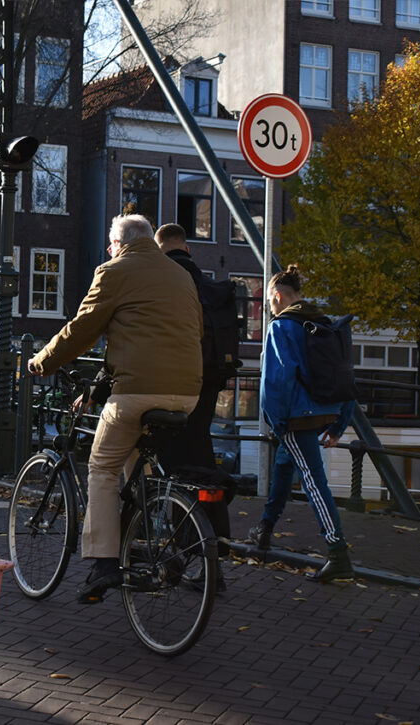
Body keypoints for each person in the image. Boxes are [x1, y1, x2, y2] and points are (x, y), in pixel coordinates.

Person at [27, 213, 203, 604]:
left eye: (110, 245)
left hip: (137, 393)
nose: (109, 251)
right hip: (187, 392)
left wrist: (41, 362)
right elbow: (173, 333)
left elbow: (81, 328)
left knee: (102, 467)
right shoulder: (180, 275)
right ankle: (140, 538)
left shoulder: (114, 270)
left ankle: (104, 563)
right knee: (133, 461)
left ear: (119, 243)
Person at [249, 264, 354, 582]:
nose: (270, 308)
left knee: (313, 481)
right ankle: (265, 529)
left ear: (278, 296)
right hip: (324, 410)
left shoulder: (282, 327)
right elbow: (344, 373)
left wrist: (276, 420)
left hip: (295, 415)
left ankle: (338, 554)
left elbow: (278, 379)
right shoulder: (321, 323)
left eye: (269, 302)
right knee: (284, 465)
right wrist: (338, 424)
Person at [154, 223, 232, 588]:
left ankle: (180, 555)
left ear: (160, 248)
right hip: (210, 382)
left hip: (176, 383)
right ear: (187, 247)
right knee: (201, 460)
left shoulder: (167, 279)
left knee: (175, 469)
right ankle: (215, 556)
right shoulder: (206, 282)